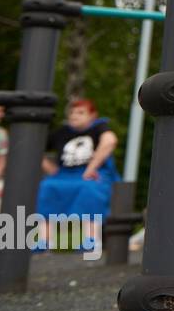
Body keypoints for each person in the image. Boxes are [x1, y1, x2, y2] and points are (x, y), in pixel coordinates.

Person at [34, 98, 119, 251]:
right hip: (64, 174)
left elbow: (110, 141)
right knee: (46, 186)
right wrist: (49, 168)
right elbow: (34, 146)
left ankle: (92, 239)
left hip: (92, 174)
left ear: (92, 115)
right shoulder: (63, 131)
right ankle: (44, 241)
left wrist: (92, 167)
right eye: (72, 112)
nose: (74, 115)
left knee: (91, 189)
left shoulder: (99, 127)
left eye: (80, 112)